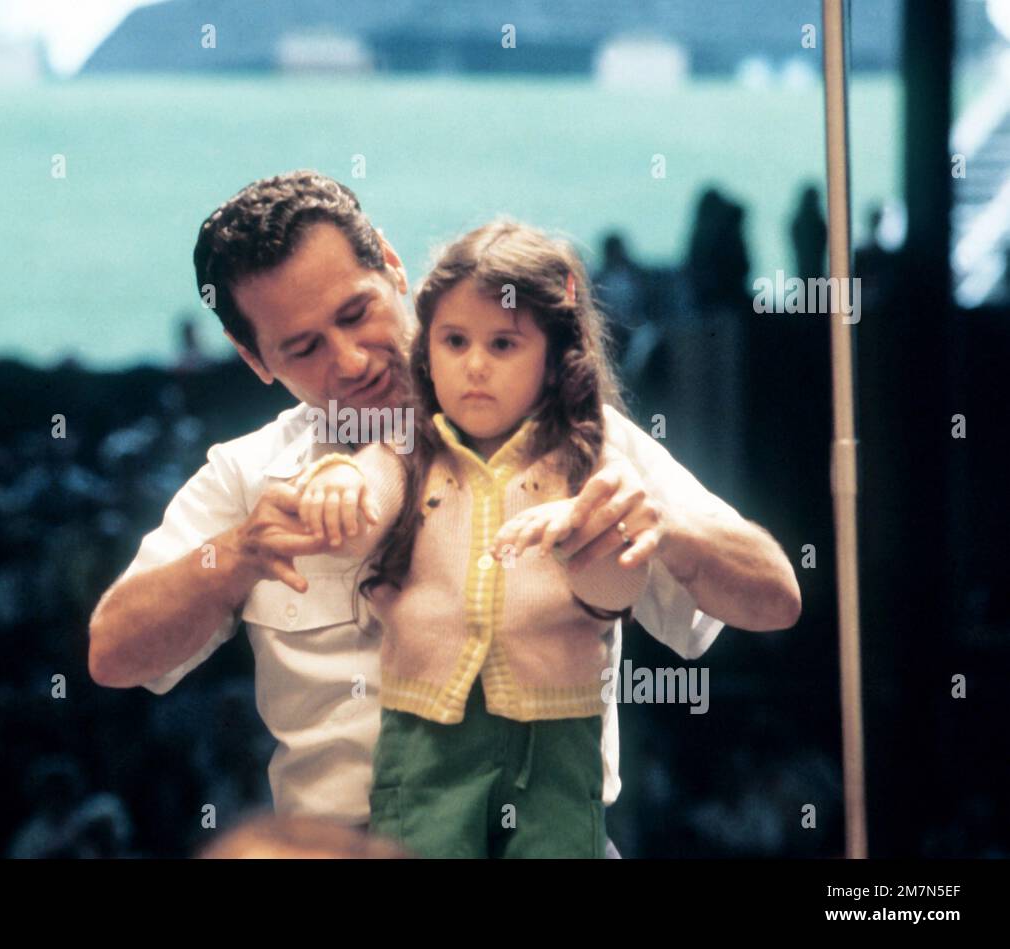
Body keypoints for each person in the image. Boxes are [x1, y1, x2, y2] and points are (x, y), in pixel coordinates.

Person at [87, 170, 801, 851]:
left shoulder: (574, 437)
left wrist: (670, 530)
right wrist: (236, 555)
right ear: (254, 358)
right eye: (303, 347)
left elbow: (774, 596)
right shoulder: (248, 476)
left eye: (356, 313)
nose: (351, 360)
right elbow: (112, 652)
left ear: (395, 269)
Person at [292, 219, 673, 856]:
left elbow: (616, 591)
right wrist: (336, 483)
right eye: (454, 341)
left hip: (556, 735)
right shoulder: (408, 448)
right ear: (426, 351)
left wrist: (587, 533)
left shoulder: (589, 457)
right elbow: (364, 497)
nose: (474, 367)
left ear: (555, 357)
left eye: (503, 345)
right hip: (426, 732)